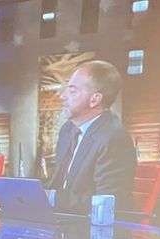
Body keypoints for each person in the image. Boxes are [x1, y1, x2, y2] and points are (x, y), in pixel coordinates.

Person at [49, 60, 137, 215]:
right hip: (62, 221)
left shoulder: (113, 137)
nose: (62, 96)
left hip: (92, 231)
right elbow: (59, 184)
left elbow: (106, 202)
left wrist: (52, 198)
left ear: (95, 99)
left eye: (72, 90)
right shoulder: (68, 130)